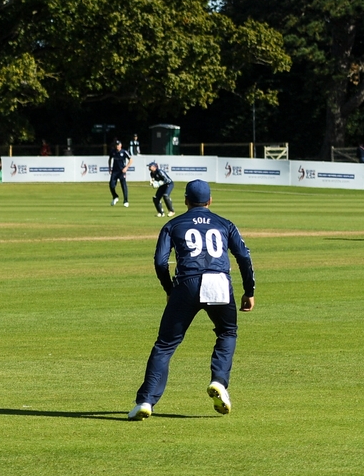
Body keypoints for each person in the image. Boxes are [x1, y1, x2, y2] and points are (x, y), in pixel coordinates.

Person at [129, 180, 255, 421]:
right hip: (219, 282)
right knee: (227, 333)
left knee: (165, 345)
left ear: (186, 200)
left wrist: (169, 289)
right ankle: (218, 381)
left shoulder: (172, 224)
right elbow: (244, 257)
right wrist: (249, 291)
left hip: (186, 283)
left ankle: (145, 401)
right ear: (210, 201)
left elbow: (160, 262)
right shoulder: (225, 224)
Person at [108, 140, 132, 207]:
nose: (117, 146)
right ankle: (115, 196)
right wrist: (109, 168)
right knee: (111, 185)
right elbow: (110, 159)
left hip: (122, 171)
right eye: (116, 145)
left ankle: (126, 201)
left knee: (123, 185)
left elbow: (131, 160)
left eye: (118, 145)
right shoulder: (113, 152)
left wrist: (126, 167)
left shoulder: (124, 152)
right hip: (115, 171)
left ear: (121, 145)